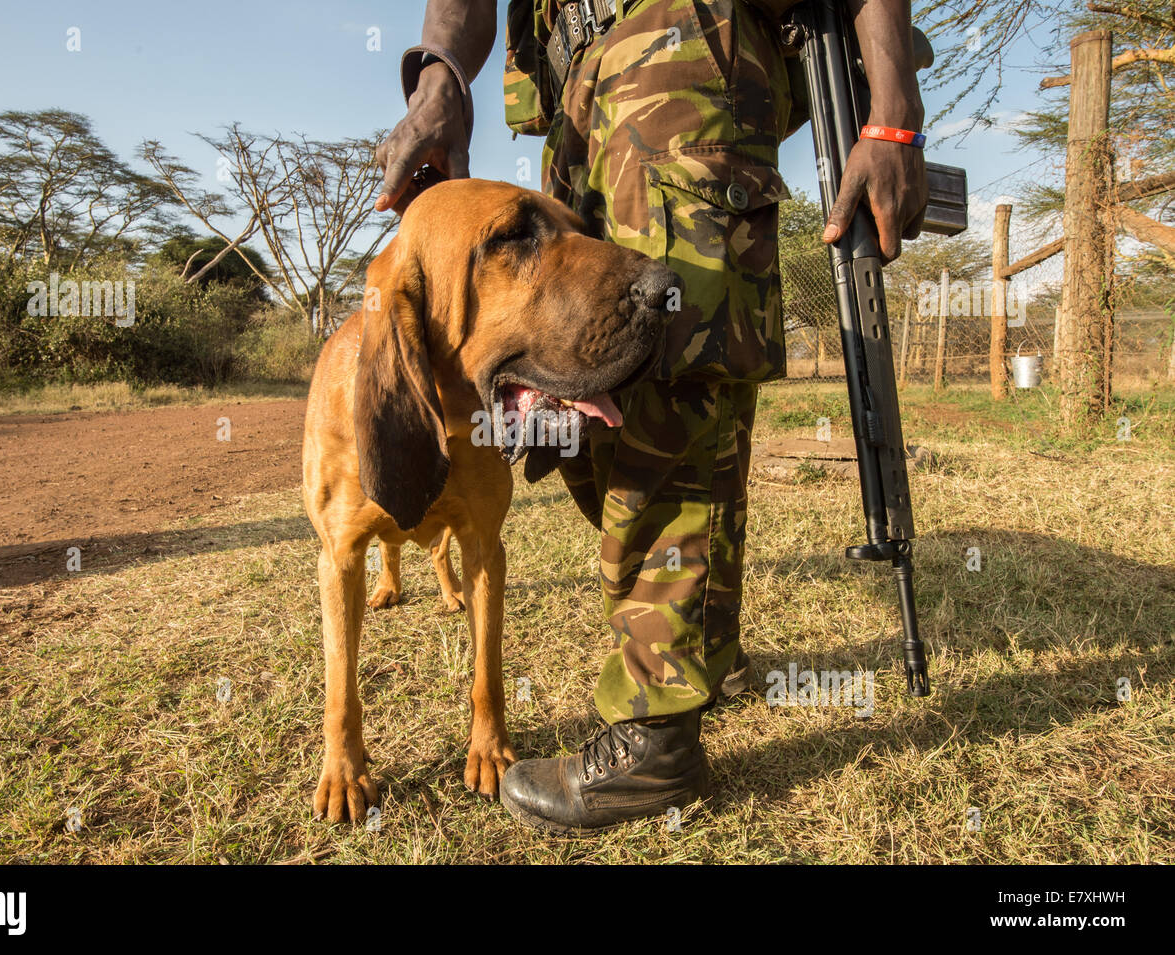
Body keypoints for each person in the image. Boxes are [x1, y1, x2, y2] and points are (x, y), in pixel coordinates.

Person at [374, 0, 927, 833]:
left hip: (684, 40)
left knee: (672, 367)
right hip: (577, 85)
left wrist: (893, 120)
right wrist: (441, 76)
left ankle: (652, 735)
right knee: (589, 388)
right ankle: (708, 649)